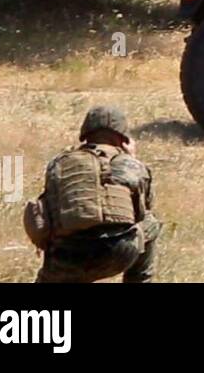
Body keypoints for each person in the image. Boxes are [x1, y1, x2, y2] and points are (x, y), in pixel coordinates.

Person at [28, 106, 161, 283]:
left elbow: (48, 213)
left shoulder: (60, 162)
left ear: (85, 134)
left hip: (68, 256)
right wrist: (132, 159)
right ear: (123, 138)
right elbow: (143, 209)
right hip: (118, 252)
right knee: (150, 223)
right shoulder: (129, 164)